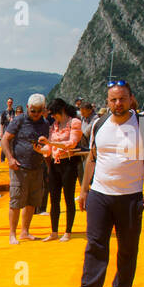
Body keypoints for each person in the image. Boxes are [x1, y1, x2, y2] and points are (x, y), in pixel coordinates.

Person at [67, 82, 144, 287]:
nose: (118, 104)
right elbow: (92, 158)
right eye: (113, 100)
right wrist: (84, 190)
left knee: (128, 247)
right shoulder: (99, 124)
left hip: (130, 196)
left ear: (131, 99)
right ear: (107, 102)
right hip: (100, 194)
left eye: (122, 99)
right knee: (95, 244)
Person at [0, 94, 51, 244]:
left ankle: (25, 232)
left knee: (32, 201)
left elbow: (46, 144)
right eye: (33, 110)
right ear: (28, 108)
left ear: (44, 110)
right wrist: (10, 158)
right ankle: (12, 234)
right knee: (16, 201)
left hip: (37, 166)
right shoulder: (19, 120)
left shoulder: (45, 123)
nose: (36, 114)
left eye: (39, 111)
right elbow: (5, 139)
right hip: (19, 167)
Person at [43, 98, 82, 241]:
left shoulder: (74, 123)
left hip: (69, 164)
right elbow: (49, 148)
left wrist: (51, 143)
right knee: (53, 198)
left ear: (62, 110)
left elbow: (72, 143)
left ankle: (68, 231)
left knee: (69, 198)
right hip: (55, 163)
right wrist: (41, 149)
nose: (53, 117)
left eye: (54, 114)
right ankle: (54, 231)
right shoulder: (54, 126)